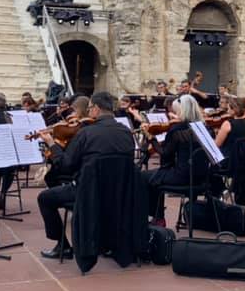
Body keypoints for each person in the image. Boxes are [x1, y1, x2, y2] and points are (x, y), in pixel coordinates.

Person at [35, 92, 134, 259]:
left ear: (96, 108)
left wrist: (52, 144)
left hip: (89, 193)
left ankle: (63, 247)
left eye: (89, 109)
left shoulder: (86, 133)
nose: (88, 113)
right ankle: (107, 243)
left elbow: (65, 166)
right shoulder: (125, 132)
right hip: (120, 192)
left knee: (44, 198)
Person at [141, 95, 210, 223]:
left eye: (176, 111)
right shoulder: (204, 128)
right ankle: (161, 216)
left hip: (182, 177)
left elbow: (165, 154)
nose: (175, 114)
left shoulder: (177, 130)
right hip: (202, 177)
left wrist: (151, 138)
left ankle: (158, 217)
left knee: (144, 177)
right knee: (155, 176)